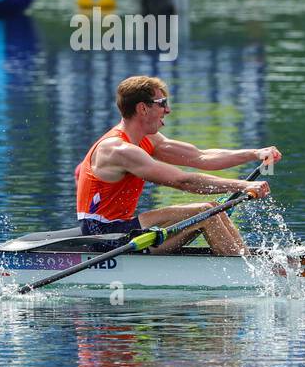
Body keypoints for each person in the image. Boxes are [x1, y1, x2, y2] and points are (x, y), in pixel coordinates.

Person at [75, 76, 278, 255]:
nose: (168, 110)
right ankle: (245, 275)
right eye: (162, 103)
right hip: (104, 235)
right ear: (142, 108)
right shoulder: (118, 149)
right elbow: (183, 181)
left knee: (213, 209)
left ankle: (244, 260)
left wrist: (255, 153)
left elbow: (201, 157)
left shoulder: (149, 140)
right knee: (205, 212)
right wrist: (243, 186)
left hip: (124, 227)